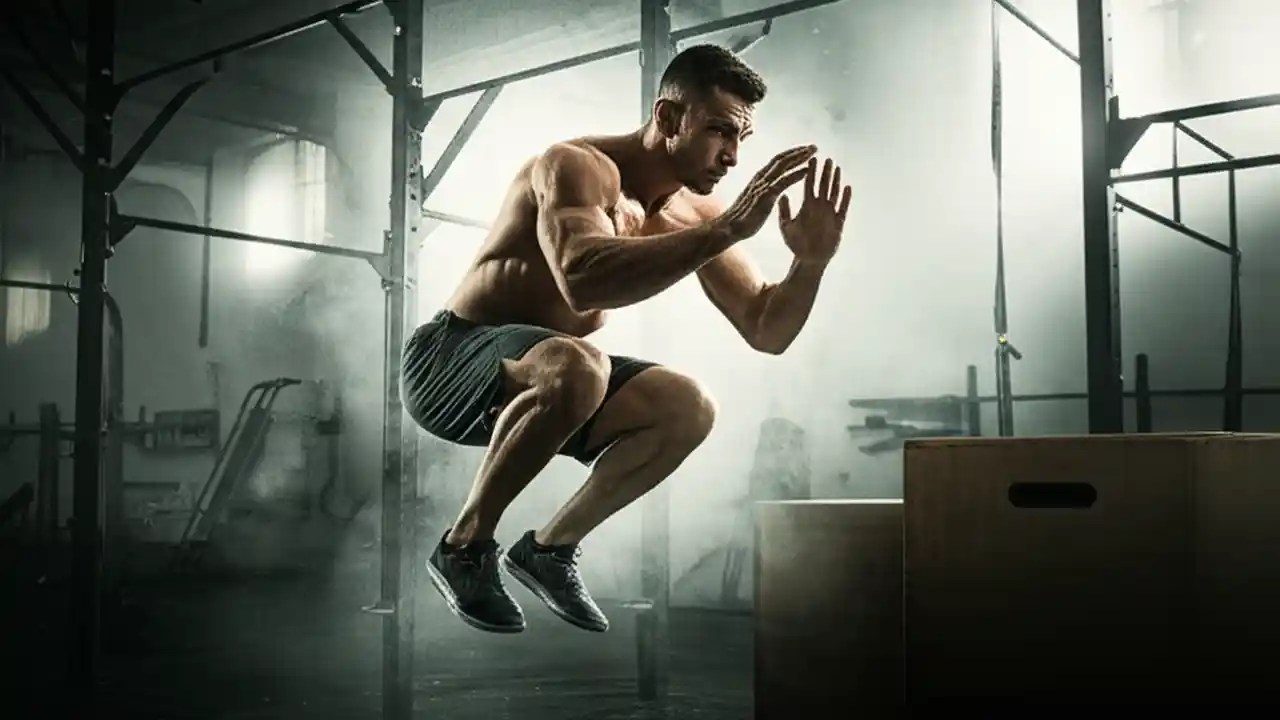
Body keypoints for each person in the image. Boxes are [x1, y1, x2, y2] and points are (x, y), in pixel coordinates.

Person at [401, 43, 851, 634]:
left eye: (741, 138)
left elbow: (767, 329)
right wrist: (728, 229)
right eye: (719, 132)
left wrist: (810, 264)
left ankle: (549, 549)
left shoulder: (695, 214)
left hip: (546, 382)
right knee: (581, 365)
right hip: (449, 362)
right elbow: (581, 281)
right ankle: (464, 547)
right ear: (667, 119)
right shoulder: (576, 166)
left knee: (689, 406)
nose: (733, 157)